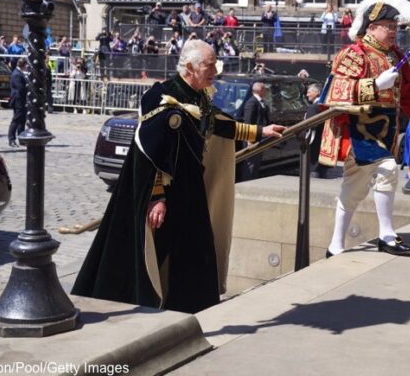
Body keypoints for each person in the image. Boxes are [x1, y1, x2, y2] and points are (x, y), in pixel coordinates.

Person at [72, 40, 286, 313]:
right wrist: (157, 197)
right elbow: (152, 153)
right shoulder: (162, 98)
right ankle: (145, 305)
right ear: (189, 67)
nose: (214, 72)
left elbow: (217, 124)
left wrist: (259, 131)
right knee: (157, 252)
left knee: (194, 251)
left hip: (191, 189)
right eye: (209, 66)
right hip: (166, 196)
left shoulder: (198, 96)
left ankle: (189, 308)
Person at [319, 0, 410, 257]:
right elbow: (334, 93)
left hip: (385, 131)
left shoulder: (395, 55)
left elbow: (407, 94)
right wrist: (374, 85)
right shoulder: (353, 53)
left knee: (387, 172)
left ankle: (385, 235)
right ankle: (337, 244)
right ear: (372, 27)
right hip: (357, 130)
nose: (394, 32)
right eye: (389, 27)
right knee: (355, 187)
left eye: (395, 28)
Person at [240, 81, 270, 181]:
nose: (266, 91)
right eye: (265, 89)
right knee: (250, 164)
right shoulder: (252, 102)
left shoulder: (261, 102)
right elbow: (248, 121)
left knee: (256, 163)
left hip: (259, 137)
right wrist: (249, 139)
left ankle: (253, 181)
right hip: (252, 139)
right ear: (260, 90)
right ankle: (247, 183)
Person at [304, 83, 330, 179]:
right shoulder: (325, 105)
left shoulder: (314, 107)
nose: (307, 95)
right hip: (323, 144)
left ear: (317, 93)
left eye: (309, 92)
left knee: (314, 172)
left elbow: (309, 126)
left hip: (314, 145)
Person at [8, 58, 28, 147]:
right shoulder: (16, 74)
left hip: (22, 99)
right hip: (18, 100)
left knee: (22, 120)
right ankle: (11, 138)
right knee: (16, 119)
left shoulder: (21, 73)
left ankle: (21, 138)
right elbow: (20, 88)